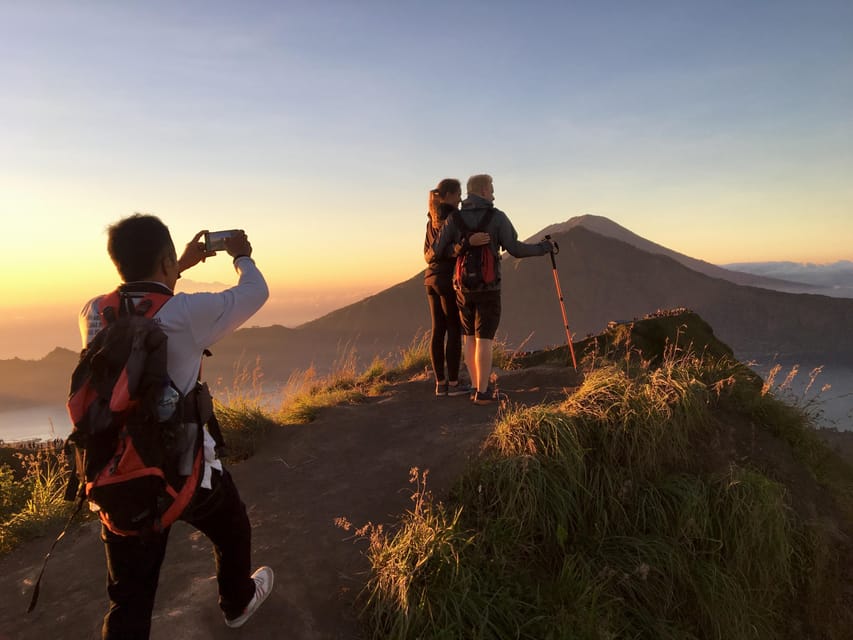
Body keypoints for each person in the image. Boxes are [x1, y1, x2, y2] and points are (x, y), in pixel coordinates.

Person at [78, 214, 273, 638]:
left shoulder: (92, 312)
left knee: (129, 601)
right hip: (183, 472)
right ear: (165, 259)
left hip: (119, 474)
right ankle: (237, 603)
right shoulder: (188, 312)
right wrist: (241, 256)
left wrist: (176, 266)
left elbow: (142, 301)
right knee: (233, 527)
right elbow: (256, 292)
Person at [431, 174, 553, 405]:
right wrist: (544, 248)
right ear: (484, 191)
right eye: (492, 190)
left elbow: (437, 251)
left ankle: (476, 386)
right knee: (484, 338)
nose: (494, 195)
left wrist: (462, 246)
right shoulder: (497, 217)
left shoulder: (454, 218)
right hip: (489, 287)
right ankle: (483, 392)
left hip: (462, 288)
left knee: (469, 337)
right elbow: (515, 249)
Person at [423, 179, 473, 397]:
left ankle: (440, 383)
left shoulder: (430, 221)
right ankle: (453, 384)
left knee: (438, 330)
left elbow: (427, 253)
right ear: (449, 195)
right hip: (448, 279)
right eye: (458, 194)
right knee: (453, 328)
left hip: (430, 279)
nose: (461, 198)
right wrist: (459, 248)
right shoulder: (455, 218)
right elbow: (459, 246)